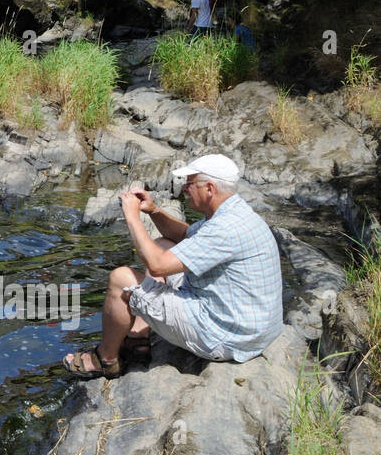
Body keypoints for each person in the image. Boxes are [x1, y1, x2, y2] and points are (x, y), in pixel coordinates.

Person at [63, 154, 282, 378]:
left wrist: (132, 217)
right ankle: (138, 336)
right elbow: (184, 235)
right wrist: (153, 211)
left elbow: (157, 266)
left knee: (121, 279)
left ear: (210, 188)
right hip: (250, 327)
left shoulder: (225, 229)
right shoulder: (233, 212)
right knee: (163, 244)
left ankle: (105, 360)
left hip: (227, 338)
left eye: (190, 183)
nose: (185, 188)